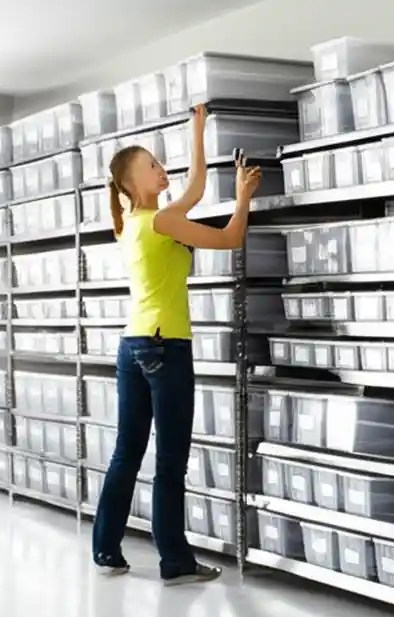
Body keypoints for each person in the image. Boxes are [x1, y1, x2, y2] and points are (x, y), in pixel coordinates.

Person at [92, 104, 262, 585]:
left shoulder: (130, 225)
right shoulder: (161, 222)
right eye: (152, 165)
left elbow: (195, 189)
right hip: (166, 348)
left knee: (126, 452)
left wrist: (198, 128)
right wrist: (244, 197)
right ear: (133, 183)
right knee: (170, 460)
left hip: (132, 346)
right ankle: (175, 560)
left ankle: (106, 548)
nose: (161, 169)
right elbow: (230, 238)